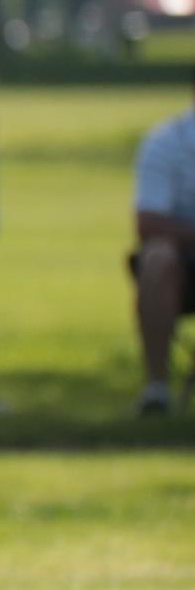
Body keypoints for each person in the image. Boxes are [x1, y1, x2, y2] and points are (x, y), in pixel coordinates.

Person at [130, 67, 195, 415]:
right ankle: (156, 388)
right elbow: (148, 222)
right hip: (185, 264)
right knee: (157, 257)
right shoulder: (166, 142)